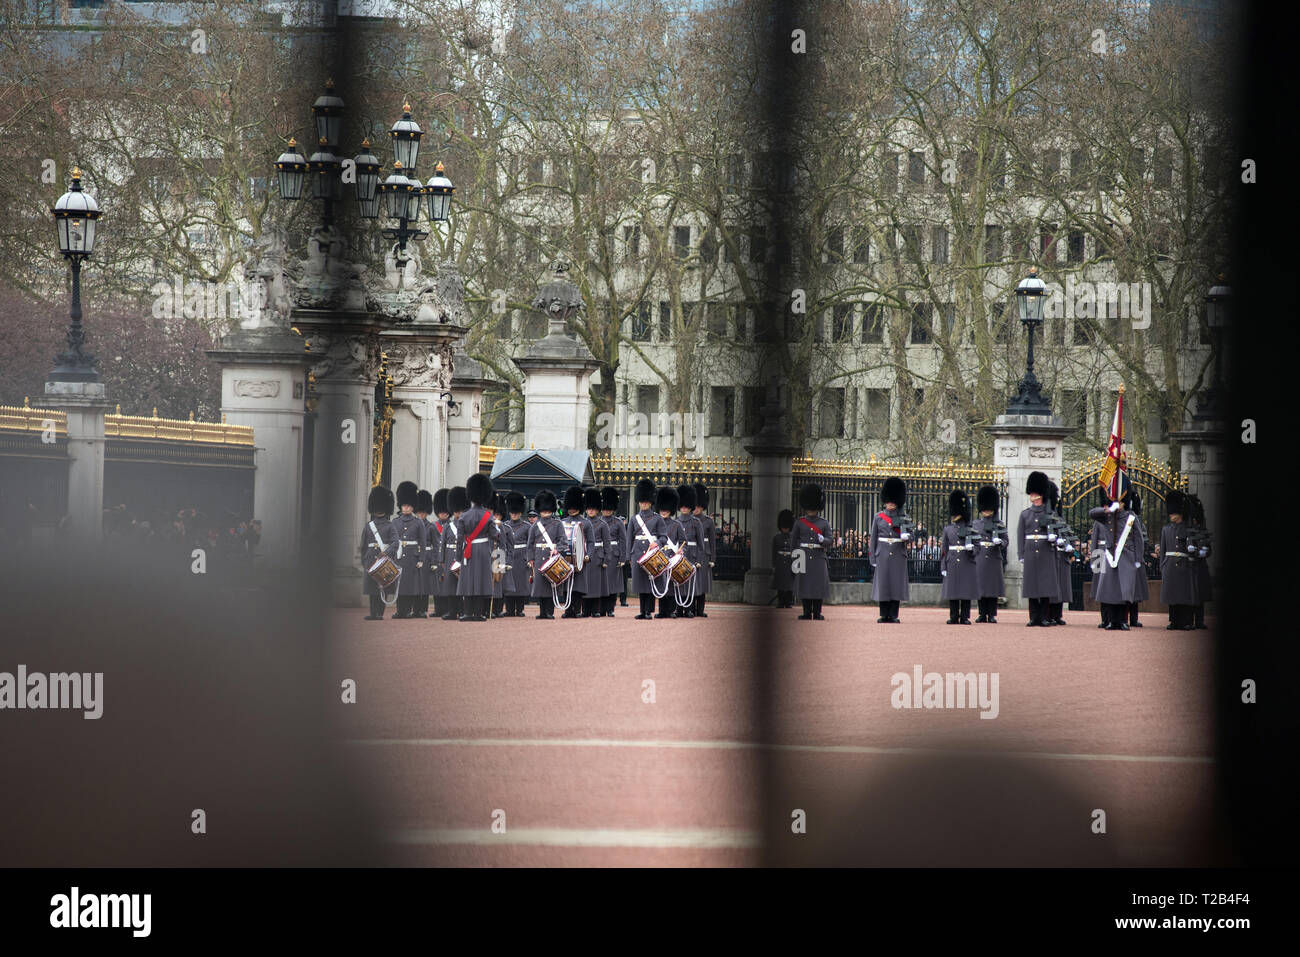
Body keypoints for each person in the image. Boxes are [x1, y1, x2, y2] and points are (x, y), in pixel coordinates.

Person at [1087, 486, 1145, 631]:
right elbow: (1092, 513)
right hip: (1109, 556)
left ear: (1124, 502)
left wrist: (1138, 558)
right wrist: (1107, 509)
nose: (1117, 504)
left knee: (1123, 590)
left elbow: (1138, 539)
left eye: (1119, 502)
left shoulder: (1131, 517)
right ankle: (1111, 621)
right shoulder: (1105, 516)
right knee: (1110, 590)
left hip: (1126, 556)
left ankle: (1123, 621)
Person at [455, 473, 500, 622]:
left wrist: (458, 557)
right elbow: (495, 535)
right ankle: (479, 613)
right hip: (482, 551)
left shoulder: (464, 516)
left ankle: (467, 612)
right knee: (481, 580)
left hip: (468, 551)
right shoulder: (488, 516)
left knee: (468, 580)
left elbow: (459, 539)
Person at [1018, 471, 1059, 627]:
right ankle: (1033, 617)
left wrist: (1054, 537)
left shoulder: (1051, 514)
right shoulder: (1025, 515)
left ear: (1040, 495)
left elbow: (1057, 531)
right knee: (1032, 586)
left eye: (1035, 493)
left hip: (1045, 552)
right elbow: (1021, 535)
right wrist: (1021, 554)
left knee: (1045, 586)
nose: (1032, 496)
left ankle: (1043, 617)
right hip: (1030, 552)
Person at [870, 476, 911, 623]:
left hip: (898, 554)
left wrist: (907, 536)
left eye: (893, 501)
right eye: (889, 501)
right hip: (882, 554)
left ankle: (893, 615)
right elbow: (873, 538)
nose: (891, 504)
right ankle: (883, 614)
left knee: (895, 584)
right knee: (883, 584)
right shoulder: (878, 517)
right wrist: (872, 558)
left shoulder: (904, 517)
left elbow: (911, 536)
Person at [790, 483, 831, 620]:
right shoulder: (799, 522)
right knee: (805, 585)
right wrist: (794, 559)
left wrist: (822, 540)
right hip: (803, 556)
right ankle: (807, 612)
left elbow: (830, 540)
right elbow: (793, 541)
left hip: (819, 556)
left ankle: (817, 612)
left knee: (818, 586)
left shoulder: (824, 523)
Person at [628, 479, 668, 620]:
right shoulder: (634, 519)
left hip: (652, 553)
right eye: (642, 501)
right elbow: (629, 539)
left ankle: (648, 611)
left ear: (651, 502)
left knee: (650, 583)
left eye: (646, 501)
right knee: (640, 583)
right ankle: (642, 611)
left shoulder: (657, 519)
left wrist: (656, 542)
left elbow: (664, 537)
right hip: (637, 553)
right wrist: (629, 556)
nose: (644, 503)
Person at [527, 489, 570, 619]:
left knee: (551, 585)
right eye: (543, 509)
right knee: (540, 586)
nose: (545, 512)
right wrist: (531, 559)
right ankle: (542, 612)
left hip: (552, 558)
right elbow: (530, 544)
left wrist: (558, 549)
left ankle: (549, 612)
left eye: (547, 509)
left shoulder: (557, 524)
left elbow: (563, 541)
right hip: (539, 557)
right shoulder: (536, 525)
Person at [1157, 490, 1196, 630]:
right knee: (1172, 595)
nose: (1171, 515)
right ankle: (1174, 620)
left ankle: (1186, 621)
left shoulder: (1188, 528)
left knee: (1184, 595)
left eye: (1173, 512)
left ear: (1180, 513)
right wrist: (1163, 565)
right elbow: (1163, 549)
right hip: (1170, 565)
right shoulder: (1166, 529)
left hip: (1184, 565)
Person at [359, 485, 398, 622]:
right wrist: (364, 561)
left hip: (384, 559)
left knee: (383, 587)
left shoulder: (390, 525)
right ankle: (373, 612)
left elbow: (395, 543)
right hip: (371, 559)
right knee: (372, 588)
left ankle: (379, 613)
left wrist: (386, 552)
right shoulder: (369, 526)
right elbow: (363, 545)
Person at [390, 481, 428, 620]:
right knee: (399, 586)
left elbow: (422, 543)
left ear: (412, 507)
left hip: (412, 557)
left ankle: (408, 610)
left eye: (408, 505)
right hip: (399, 557)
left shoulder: (418, 522)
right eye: (404, 505)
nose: (406, 508)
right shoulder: (395, 522)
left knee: (410, 586)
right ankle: (400, 610)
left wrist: (422, 559)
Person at [940, 489, 978, 625]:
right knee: (953, 591)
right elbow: (944, 550)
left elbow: (978, 547)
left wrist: (972, 549)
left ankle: (965, 616)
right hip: (951, 561)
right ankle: (954, 616)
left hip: (966, 561)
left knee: (965, 591)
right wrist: (943, 565)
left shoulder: (971, 528)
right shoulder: (948, 529)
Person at [973, 484, 1008, 623]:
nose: (987, 511)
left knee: (992, 587)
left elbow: (1006, 540)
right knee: (981, 587)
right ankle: (982, 613)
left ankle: (992, 614)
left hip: (994, 556)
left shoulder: (999, 524)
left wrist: (1000, 542)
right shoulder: (976, 524)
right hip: (980, 556)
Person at [561, 486, 596, 619]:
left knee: (578, 586)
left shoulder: (586, 523)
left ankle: (576, 610)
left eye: (573, 506)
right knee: (566, 585)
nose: (571, 509)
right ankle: (568, 609)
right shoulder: (563, 522)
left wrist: (588, 555)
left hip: (580, 558)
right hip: (566, 558)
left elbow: (591, 542)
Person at [1046, 480, 1075, 626]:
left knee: (1061, 588)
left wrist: (1070, 549)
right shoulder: (1045, 518)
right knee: (1051, 588)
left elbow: (1068, 535)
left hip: (1061, 556)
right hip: (1050, 556)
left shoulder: (1059, 519)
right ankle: (1049, 615)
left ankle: (1057, 615)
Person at [673, 484, 703, 618]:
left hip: (692, 554)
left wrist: (699, 560)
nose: (684, 508)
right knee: (678, 581)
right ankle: (678, 609)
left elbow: (701, 544)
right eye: (682, 505)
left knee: (690, 582)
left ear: (690, 506)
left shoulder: (696, 522)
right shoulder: (676, 522)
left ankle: (689, 609)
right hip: (678, 553)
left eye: (686, 505)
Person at [439, 486, 468, 620]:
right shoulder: (447, 526)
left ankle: (463, 610)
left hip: (463, 556)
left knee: (462, 585)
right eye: (456, 511)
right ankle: (452, 611)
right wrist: (442, 560)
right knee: (450, 586)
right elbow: (443, 545)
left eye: (460, 511)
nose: (458, 513)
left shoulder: (467, 524)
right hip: (450, 556)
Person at [655, 486, 684, 619]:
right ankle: (662, 610)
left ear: (671, 510)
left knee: (671, 584)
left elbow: (685, 541)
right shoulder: (655, 523)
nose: (664, 512)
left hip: (672, 557)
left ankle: (671, 610)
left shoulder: (676, 525)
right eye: (662, 509)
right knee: (661, 583)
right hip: (659, 557)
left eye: (666, 510)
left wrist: (681, 550)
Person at [503, 491, 531, 617]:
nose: (514, 514)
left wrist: (528, 558)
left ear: (520, 513)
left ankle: (519, 609)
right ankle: (509, 609)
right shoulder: (505, 526)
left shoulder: (527, 526)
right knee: (508, 583)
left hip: (521, 557)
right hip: (509, 556)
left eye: (516, 512)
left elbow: (531, 544)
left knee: (520, 584)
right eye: (512, 512)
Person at [600, 487, 626, 618]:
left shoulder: (618, 522)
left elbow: (623, 540)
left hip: (614, 555)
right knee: (601, 584)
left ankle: (610, 608)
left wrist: (622, 557)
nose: (606, 511)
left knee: (612, 584)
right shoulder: (598, 521)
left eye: (608, 509)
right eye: (604, 508)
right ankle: (601, 608)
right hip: (601, 554)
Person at [1188, 494, 1212, 629]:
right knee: (1190, 595)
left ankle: (1199, 621)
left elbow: (1210, 550)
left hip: (1201, 566)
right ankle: (1189, 620)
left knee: (1200, 596)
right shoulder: (1187, 530)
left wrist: (1205, 551)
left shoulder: (1204, 531)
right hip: (1190, 565)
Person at [692, 483, 715, 618]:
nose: (695, 509)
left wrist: (713, 559)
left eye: (698, 506)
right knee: (693, 582)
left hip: (705, 554)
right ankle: (691, 608)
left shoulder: (708, 522)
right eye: (694, 506)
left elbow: (712, 542)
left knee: (702, 582)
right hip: (692, 552)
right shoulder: (689, 520)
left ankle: (700, 609)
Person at [1127, 491, 1149, 627]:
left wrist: (1138, 558)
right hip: (1123, 555)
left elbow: (1142, 540)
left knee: (1134, 592)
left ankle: (1134, 618)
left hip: (1134, 556)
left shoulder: (1135, 519)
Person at [429, 488, 451, 619]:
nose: (442, 514)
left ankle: (448, 608)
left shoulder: (452, 525)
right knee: (437, 585)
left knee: (447, 584)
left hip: (448, 557)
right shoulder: (433, 526)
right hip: (436, 557)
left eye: (445, 511)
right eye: (440, 512)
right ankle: (438, 609)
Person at [415, 489, 435, 618]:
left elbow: (435, 545)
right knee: (414, 583)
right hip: (414, 555)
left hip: (426, 556)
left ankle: (422, 609)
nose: (421, 514)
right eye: (419, 512)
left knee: (424, 584)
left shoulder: (431, 526)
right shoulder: (413, 524)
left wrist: (433, 561)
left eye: (423, 512)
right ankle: (415, 609)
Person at [490, 494, 509, 619]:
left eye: (499, 515)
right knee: (488, 583)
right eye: (495, 514)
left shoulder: (503, 527)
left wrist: (502, 560)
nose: (497, 517)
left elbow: (504, 544)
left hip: (499, 554)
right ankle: (489, 609)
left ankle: (498, 609)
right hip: (488, 554)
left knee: (498, 583)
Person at [772, 509, 795, 608]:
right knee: (780, 583)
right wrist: (773, 564)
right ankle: (781, 601)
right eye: (783, 527)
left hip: (790, 561)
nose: (785, 529)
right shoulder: (776, 538)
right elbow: (774, 552)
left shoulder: (794, 537)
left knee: (790, 584)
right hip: (780, 562)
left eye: (787, 527)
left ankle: (789, 601)